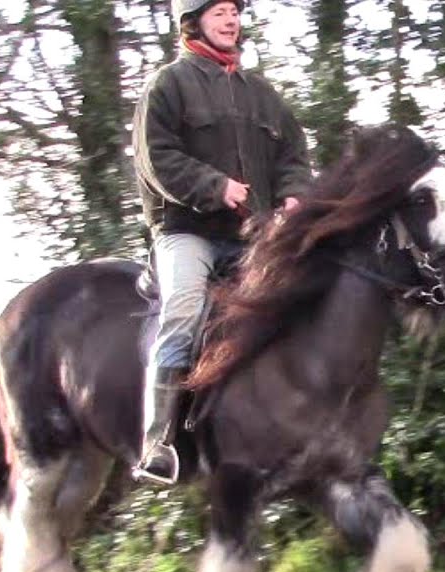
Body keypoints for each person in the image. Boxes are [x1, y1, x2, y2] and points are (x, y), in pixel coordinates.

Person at [131, 0, 312, 484]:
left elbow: (292, 153)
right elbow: (157, 158)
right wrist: (216, 187)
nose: (231, 20)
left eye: (234, 11)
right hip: (187, 231)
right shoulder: (168, 85)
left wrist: (294, 195)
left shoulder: (262, 94)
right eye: (219, 13)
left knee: (298, 302)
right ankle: (159, 442)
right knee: (185, 307)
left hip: (250, 234)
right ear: (194, 23)